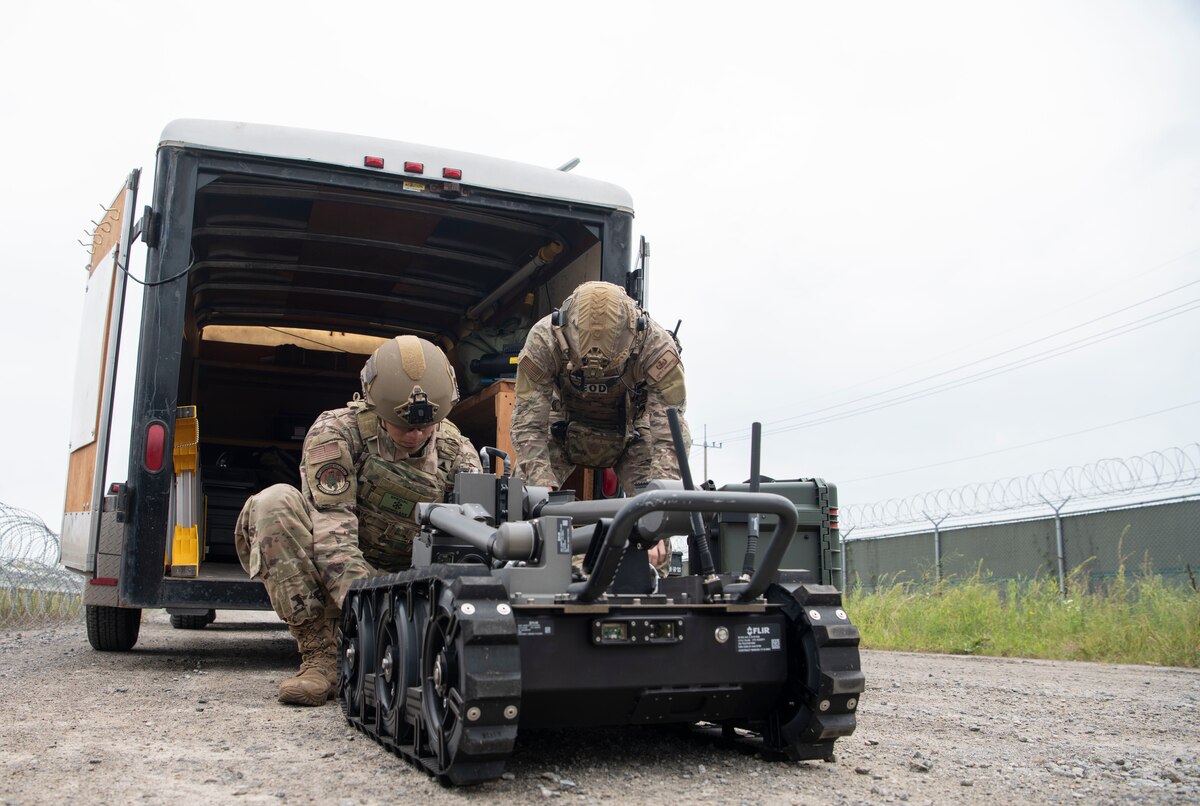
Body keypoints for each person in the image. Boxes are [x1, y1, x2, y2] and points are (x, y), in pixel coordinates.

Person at [234, 335, 482, 707]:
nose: (416, 435)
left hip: (407, 588)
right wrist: (371, 619)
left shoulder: (458, 452)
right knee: (273, 503)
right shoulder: (337, 432)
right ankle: (321, 656)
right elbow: (334, 532)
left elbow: (469, 543)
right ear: (376, 408)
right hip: (341, 572)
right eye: (404, 426)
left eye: (426, 427)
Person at [510, 280, 690, 567]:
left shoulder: (656, 346)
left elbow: (670, 437)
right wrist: (542, 493)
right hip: (564, 425)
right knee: (525, 508)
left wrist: (658, 514)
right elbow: (528, 425)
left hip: (633, 431)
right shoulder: (545, 339)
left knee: (656, 533)